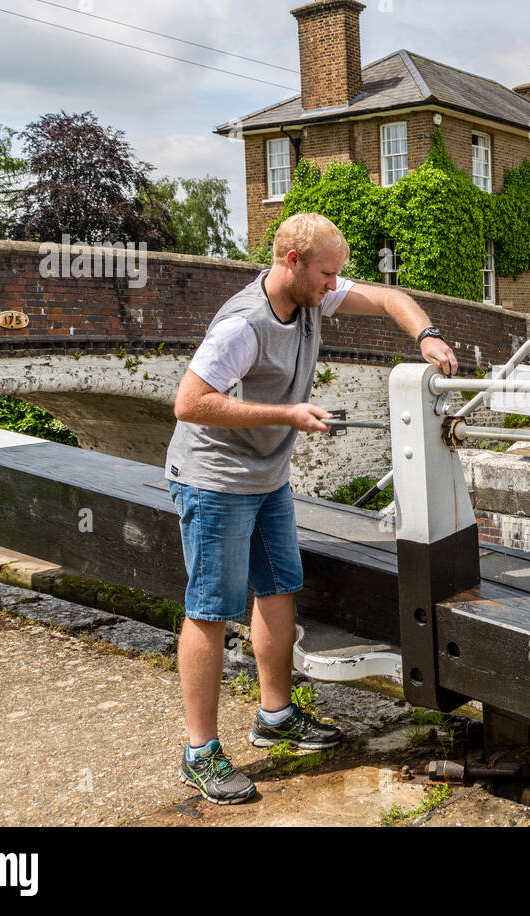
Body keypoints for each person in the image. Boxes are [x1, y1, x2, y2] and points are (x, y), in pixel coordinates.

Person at [165, 212, 458, 804]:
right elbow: (189, 404)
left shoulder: (312, 298)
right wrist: (288, 414)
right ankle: (199, 752)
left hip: (266, 476)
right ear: (292, 262)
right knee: (210, 608)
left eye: (337, 277)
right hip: (214, 479)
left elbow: (387, 297)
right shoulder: (241, 327)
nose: (333, 286)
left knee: (278, 589)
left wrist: (424, 334)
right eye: (326, 274)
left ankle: (274, 715)